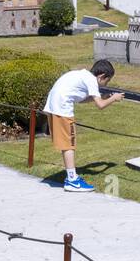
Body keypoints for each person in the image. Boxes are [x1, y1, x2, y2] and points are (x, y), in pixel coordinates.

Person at [43, 60, 123, 192]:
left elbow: (82, 100)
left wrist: (103, 96)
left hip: (54, 104)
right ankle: (72, 181)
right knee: (69, 143)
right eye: (107, 81)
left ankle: (71, 177)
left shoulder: (84, 75)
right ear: (101, 76)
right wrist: (114, 98)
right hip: (61, 107)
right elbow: (100, 105)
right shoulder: (92, 81)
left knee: (67, 143)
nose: (105, 84)